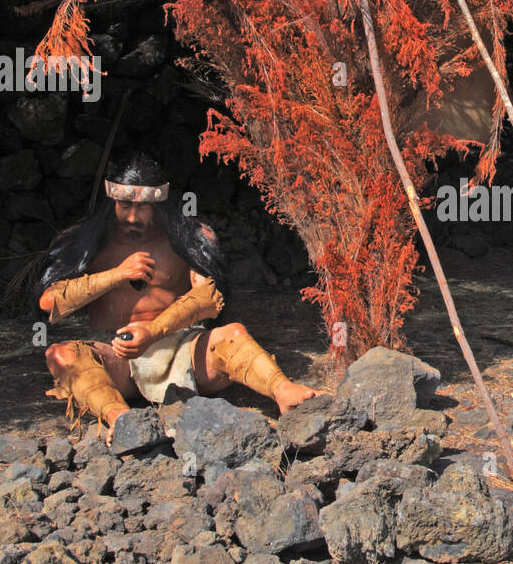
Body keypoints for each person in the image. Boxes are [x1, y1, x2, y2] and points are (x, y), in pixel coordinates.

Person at [37, 154, 323, 437]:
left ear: (160, 206)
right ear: (112, 202)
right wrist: (116, 275)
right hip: (114, 355)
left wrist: (151, 332)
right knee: (60, 354)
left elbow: (209, 298)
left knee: (233, 334)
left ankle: (284, 391)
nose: (133, 216)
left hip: (181, 350)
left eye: (144, 207)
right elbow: (50, 302)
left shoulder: (190, 236)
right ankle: (121, 420)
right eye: (125, 205)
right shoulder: (84, 240)